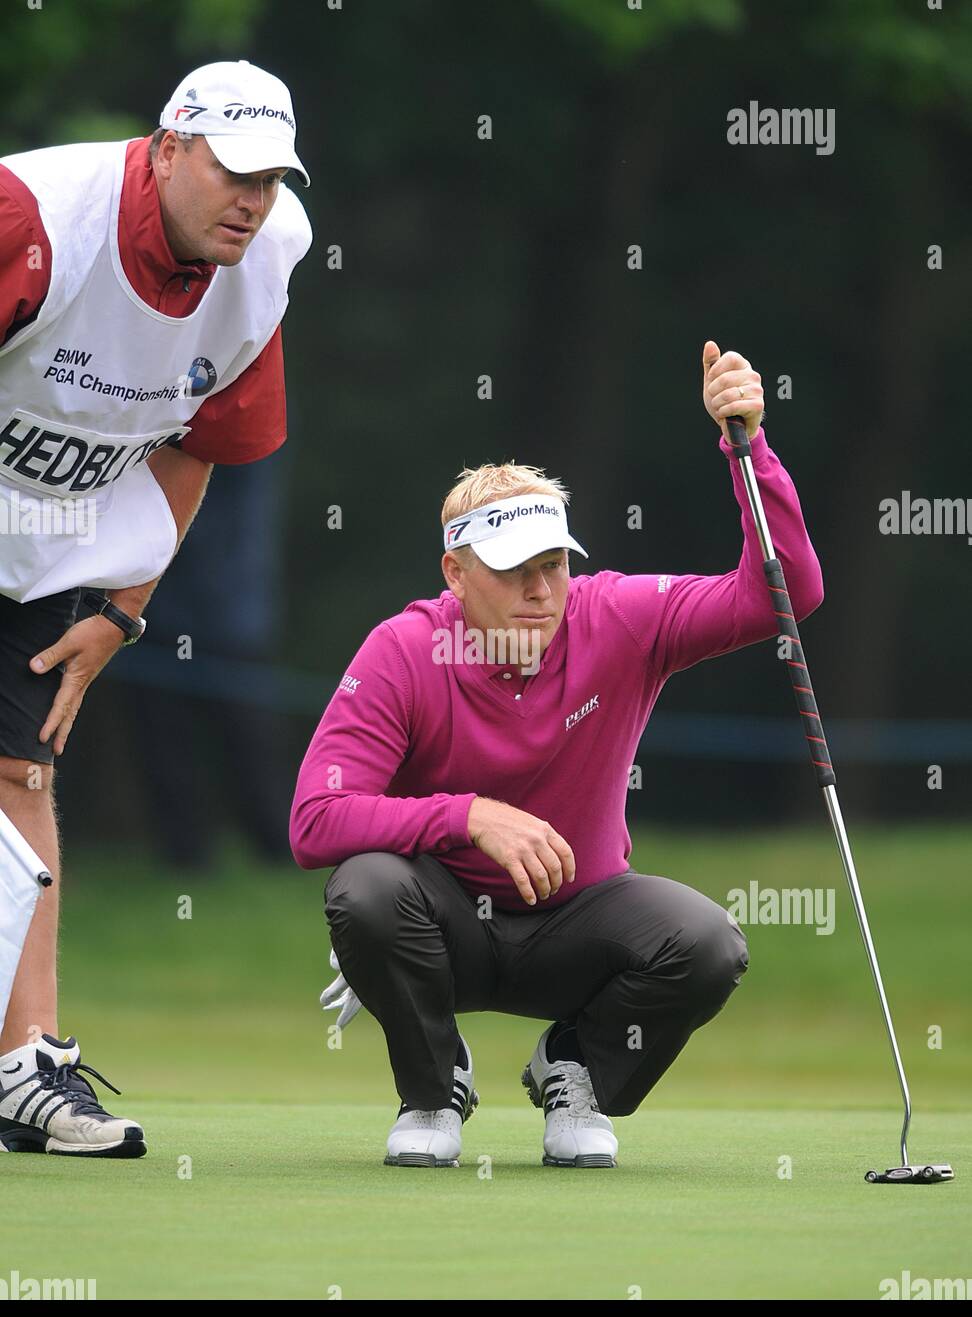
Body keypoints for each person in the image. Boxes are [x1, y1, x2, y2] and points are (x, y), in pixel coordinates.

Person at [290, 343, 825, 1169]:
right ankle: (434, 1090)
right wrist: (468, 815)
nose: (542, 591)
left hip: (582, 923)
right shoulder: (404, 648)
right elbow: (315, 821)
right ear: (455, 573)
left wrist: (748, 447)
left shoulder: (618, 617)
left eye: (554, 565)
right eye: (514, 572)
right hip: (444, 926)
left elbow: (782, 595)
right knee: (365, 888)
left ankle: (577, 1066)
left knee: (707, 941)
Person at [0, 60, 312, 1157]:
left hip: (41, 540)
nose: (251, 200)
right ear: (168, 147)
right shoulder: (34, 217)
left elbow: (199, 448)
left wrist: (121, 613)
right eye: (232, 172)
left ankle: (22, 1066)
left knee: (21, 772)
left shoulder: (261, 264)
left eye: (270, 179)